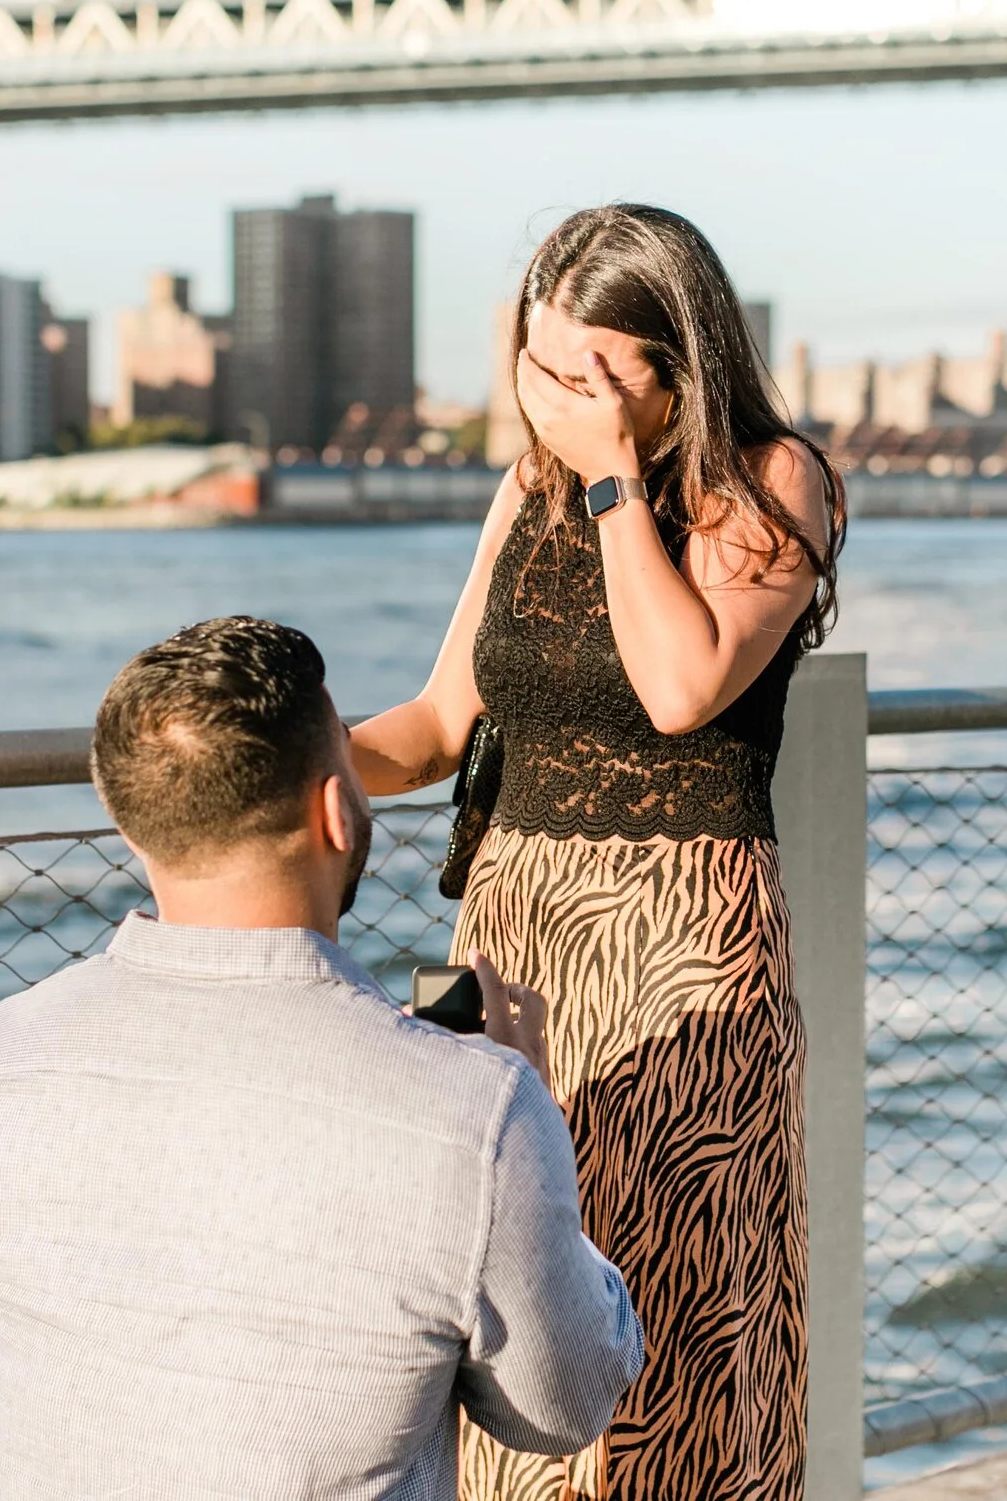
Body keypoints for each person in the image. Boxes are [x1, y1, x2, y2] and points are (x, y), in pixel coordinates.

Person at [352, 205, 846, 1499]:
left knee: (675, 1293)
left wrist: (616, 476)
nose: (565, 394)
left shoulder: (771, 480)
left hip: (680, 941)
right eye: (544, 361)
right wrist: (266, 759)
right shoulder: (528, 488)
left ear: (680, 360)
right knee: (507, 1281)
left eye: (598, 368)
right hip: (516, 939)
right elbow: (435, 723)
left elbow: (682, 686)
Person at [0, 616, 643, 1500]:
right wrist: (530, 1130)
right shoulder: (475, 1114)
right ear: (337, 811)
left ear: (136, 828)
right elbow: (565, 1406)